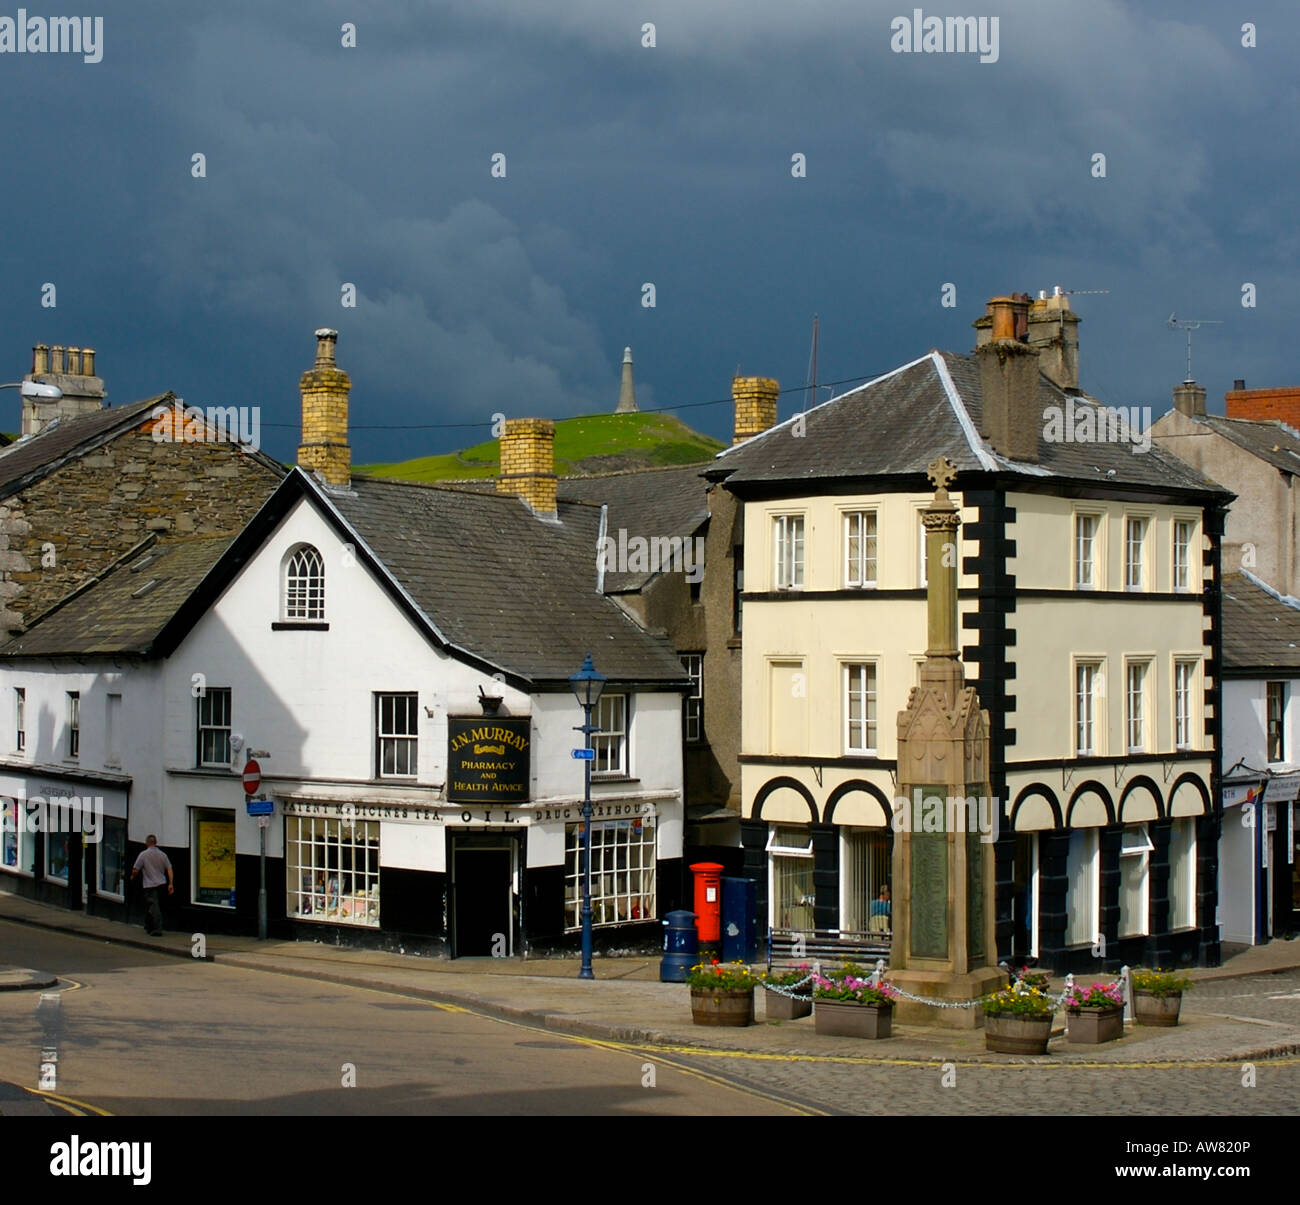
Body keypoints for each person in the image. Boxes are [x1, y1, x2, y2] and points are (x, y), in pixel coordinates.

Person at [129, 835, 173, 936]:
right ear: (156, 843)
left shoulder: (143, 855)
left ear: (147, 843)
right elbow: (169, 869)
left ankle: (157, 929)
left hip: (150, 885)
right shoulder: (163, 855)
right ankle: (148, 925)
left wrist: (132, 876)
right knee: (153, 905)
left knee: (153, 906)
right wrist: (171, 884)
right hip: (162, 883)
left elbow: (136, 869)